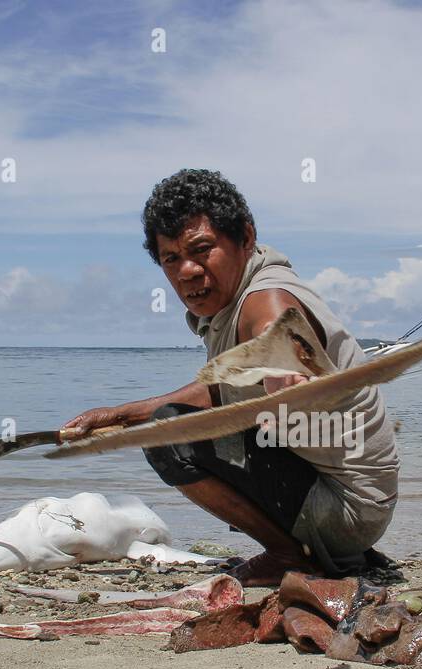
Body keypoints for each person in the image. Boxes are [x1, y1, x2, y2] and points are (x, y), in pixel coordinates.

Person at [62, 169, 399, 585]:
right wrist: (121, 414)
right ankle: (310, 548)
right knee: (168, 418)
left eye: (202, 250)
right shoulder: (234, 295)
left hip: (346, 511)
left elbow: (277, 332)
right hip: (352, 505)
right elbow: (218, 389)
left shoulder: (266, 296)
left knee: (169, 432)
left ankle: (287, 555)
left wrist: (283, 372)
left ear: (246, 237)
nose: (187, 271)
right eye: (171, 259)